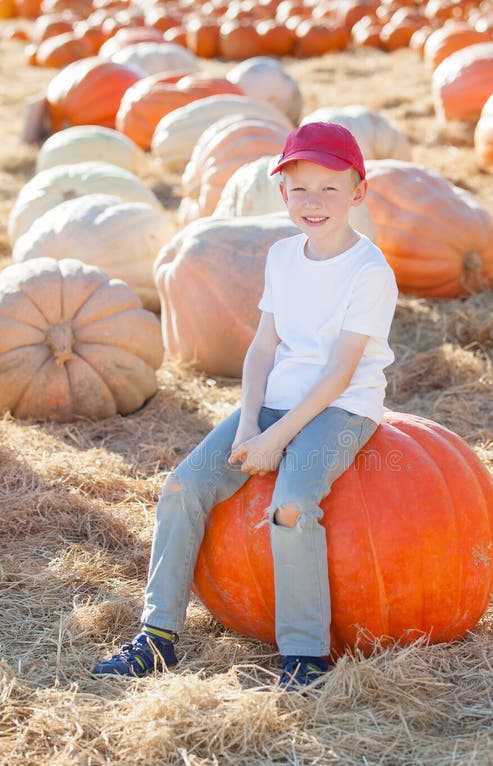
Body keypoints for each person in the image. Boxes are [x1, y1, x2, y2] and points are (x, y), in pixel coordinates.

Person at [92, 121, 398, 688]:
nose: (314, 202)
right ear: (282, 194)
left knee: (291, 506)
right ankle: (157, 637)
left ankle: (305, 656)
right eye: (300, 188)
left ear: (359, 192)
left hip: (340, 407)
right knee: (183, 487)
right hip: (276, 403)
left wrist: (276, 440)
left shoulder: (370, 271)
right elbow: (262, 349)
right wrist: (250, 422)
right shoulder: (283, 256)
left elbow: (338, 372)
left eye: (331, 188)